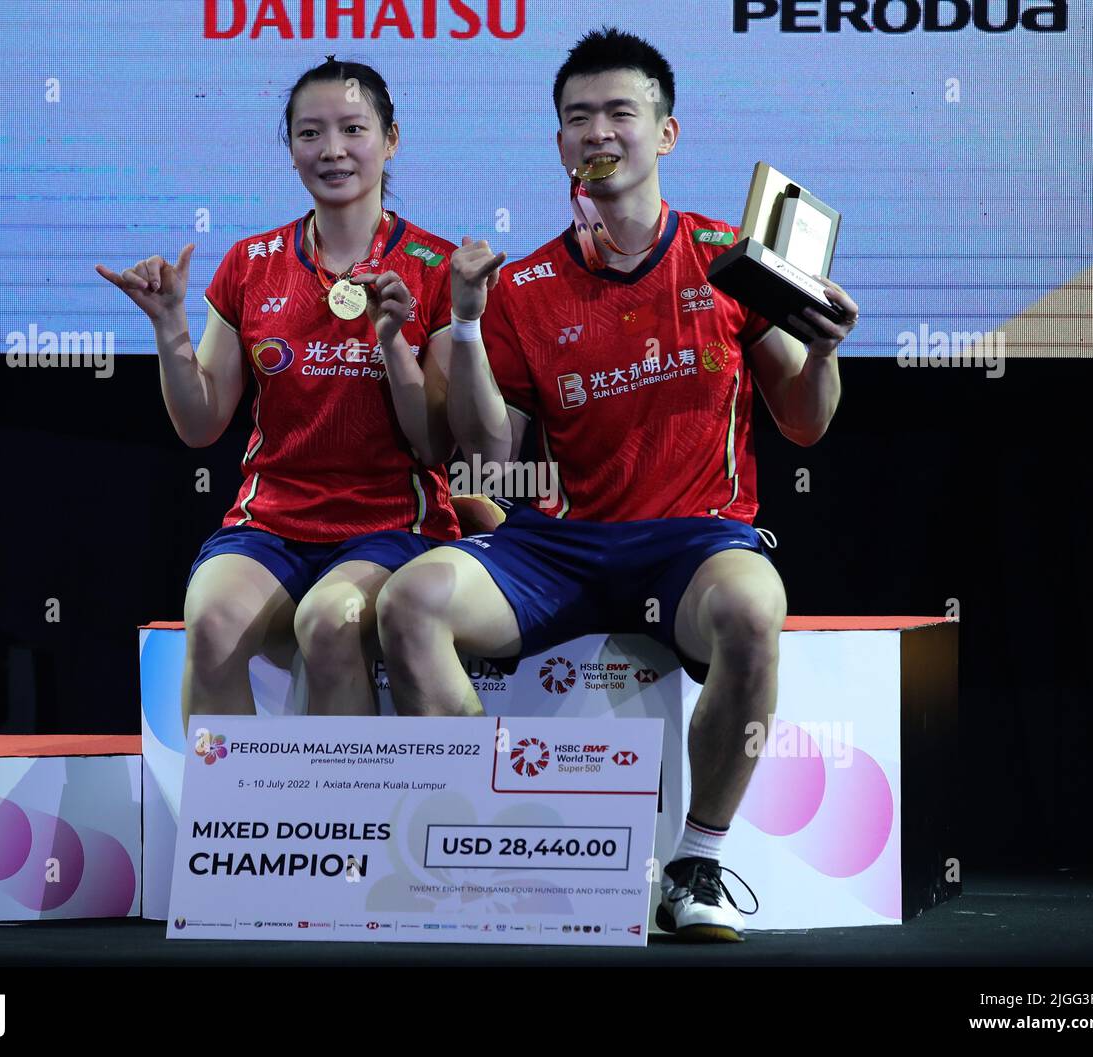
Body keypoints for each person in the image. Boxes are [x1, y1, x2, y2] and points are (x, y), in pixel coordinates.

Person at [376, 27, 860, 942]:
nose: (598, 132)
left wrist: (825, 351)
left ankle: (697, 862)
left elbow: (803, 419)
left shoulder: (731, 260)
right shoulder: (521, 287)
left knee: (756, 610)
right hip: (558, 545)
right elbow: (486, 453)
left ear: (665, 134)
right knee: (412, 601)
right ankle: (495, 839)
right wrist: (469, 327)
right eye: (577, 118)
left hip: (693, 540)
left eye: (619, 113)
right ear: (558, 141)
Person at [96, 57, 459, 731]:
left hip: (391, 525)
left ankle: (345, 835)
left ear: (391, 140)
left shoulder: (434, 269)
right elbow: (201, 424)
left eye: (354, 129)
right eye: (310, 133)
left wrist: (392, 340)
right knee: (210, 621)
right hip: (271, 523)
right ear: (289, 148)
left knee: (330, 625)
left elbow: (436, 443)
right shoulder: (249, 263)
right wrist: (170, 326)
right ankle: (226, 828)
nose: (332, 150)